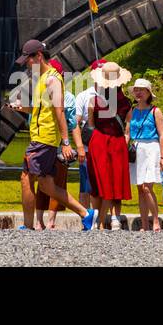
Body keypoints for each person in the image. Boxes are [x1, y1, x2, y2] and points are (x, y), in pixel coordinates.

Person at [8, 40, 96, 231]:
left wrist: (66, 143)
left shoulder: (52, 79)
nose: (26, 65)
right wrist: (22, 108)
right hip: (40, 137)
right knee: (47, 185)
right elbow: (41, 109)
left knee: (26, 177)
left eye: (28, 60)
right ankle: (85, 213)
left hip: (44, 139)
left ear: (39, 56)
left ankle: (28, 225)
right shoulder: (42, 78)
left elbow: (59, 111)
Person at [87, 60, 132, 229]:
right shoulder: (127, 103)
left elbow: (91, 126)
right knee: (115, 180)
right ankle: (113, 219)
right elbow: (128, 131)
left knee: (99, 181)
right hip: (118, 142)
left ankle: (98, 220)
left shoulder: (94, 101)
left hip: (99, 141)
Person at [35, 60, 78, 229]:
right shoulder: (68, 97)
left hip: (42, 141)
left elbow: (32, 120)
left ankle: (39, 221)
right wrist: (72, 144)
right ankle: (51, 222)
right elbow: (72, 123)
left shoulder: (40, 92)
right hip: (59, 144)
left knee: (42, 183)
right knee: (57, 183)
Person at [128, 77, 163, 232]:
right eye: (136, 90)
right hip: (137, 147)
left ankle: (155, 220)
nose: (138, 93)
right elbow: (127, 132)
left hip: (152, 147)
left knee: (147, 187)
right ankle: (144, 224)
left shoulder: (155, 111)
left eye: (141, 90)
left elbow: (162, 134)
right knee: (139, 188)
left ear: (148, 93)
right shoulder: (132, 111)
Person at [73, 60, 105, 219]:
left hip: (106, 147)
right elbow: (75, 123)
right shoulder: (84, 96)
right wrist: (79, 147)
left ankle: (101, 218)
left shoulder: (113, 95)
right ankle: (85, 218)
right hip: (88, 147)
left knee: (104, 185)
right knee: (85, 185)